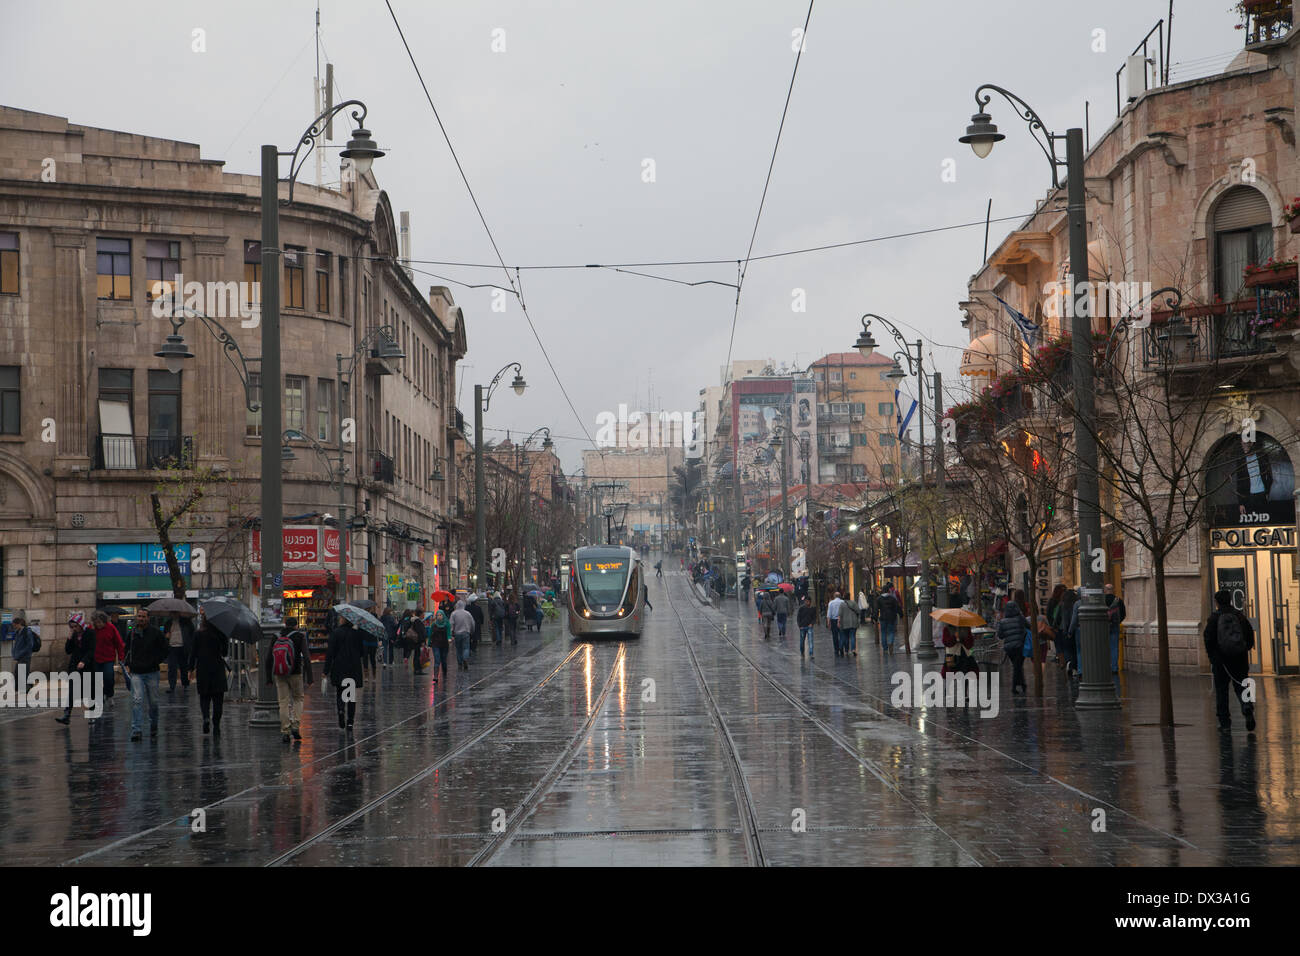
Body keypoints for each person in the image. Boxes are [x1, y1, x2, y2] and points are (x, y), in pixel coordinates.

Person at [1204, 588, 1256, 732]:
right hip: (1239, 659)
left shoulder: (1214, 618)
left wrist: (1213, 658)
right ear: (1230, 600)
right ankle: (1247, 709)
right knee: (1242, 685)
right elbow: (1249, 636)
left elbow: (1208, 639)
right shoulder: (1239, 616)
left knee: (1222, 691)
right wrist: (1245, 649)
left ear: (1217, 603)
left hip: (1221, 662)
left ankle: (1225, 723)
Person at [265, 616, 313, 741]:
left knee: (283, 702)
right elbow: (307, 657)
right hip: (296, 672)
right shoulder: (299, 636)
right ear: (296, 625)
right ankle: (296, 726)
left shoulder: (276, 636)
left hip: (279, 673)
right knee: (298, 698)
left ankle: (285, 731)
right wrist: (310, 678)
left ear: (285, 624)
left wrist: (268, 678)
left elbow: (269, 658)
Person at [124, 608, 168, 741]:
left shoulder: (155, 633)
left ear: (148, 618)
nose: (141, 619)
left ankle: (153, 725)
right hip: (137, 672)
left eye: (143, 617)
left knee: (153, 702)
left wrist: (156, 660)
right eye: (139, 616)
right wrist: (128, 664)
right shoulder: (132, 633)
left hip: (152, 672)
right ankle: (136, 729)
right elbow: (127, 650)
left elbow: (165, 649)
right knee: (137, 700)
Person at [190, 610, 229, 737]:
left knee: (204, 697)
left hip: (203, 669)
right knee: (218, 699)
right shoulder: (221, 634)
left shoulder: (198, 634)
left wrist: (190, 669)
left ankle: (206, 717)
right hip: (217, 668)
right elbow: (225, 653)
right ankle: (216, 725)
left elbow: (193, 653)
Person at [324, 617, 364, 731]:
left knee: (340, 691)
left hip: (339, 666)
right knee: (351, 695)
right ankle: (350, 721)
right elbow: (362, 652)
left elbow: (330, 652)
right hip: (353, 667)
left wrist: (325, 671)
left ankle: (341, 710)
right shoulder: (357, 633)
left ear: (342, 620)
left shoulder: (336, 633)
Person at [57, 613, 96, 724]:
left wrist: (84, 661)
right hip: (75, 666)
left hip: (88, 666)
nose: (74, 629)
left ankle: (92, 714)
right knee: (72, 690)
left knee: (90, 690)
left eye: (75, 626)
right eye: (72, 627)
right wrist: (69, 639)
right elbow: (68, 651)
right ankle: (67, 714)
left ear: (80, 624)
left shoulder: (90, 633)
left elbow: (91, 650)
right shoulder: (73, 635)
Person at [89, 610, 125, 704]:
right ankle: (100, 696)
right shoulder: (91, 629)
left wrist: (121, 657)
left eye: (100, 622)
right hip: (95, 658)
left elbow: (119, 643)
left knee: (108, 677)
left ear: (104, 621)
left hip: (108, 658)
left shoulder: (111, 628)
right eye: (96, 623)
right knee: (97, 679)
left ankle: (109, 694)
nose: (98, 625)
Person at [1235, 437, 1273, 517]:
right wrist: (1241, 503)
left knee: (1265, 518)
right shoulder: (1241, 460)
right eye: (1242, 444)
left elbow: (1269, 475)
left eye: (1246, 443)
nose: (1244, 446)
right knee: (1252, 520)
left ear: (1251, 443)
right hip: (1249, 496)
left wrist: (1267, 492)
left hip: (1262, 494)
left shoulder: (1261, 456)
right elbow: (1239, 482)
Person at [997, 600, 1028, 695]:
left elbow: (1000, 636)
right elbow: (1029, 626)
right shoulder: (1020, 618)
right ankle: (1014, 687)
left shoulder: (1002, 622)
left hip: (1009, 648)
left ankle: (1022, 684)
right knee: (1017, 666)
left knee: (1017, 665)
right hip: (1019, 646)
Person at [161, 610, 194, 694]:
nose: (174, 614)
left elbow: (191, 633)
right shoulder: (168, 623)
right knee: (172, 667)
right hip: (172, 647)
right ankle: (172, 686)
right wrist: (166, 636)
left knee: (184, 667)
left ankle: (185, 684)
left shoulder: (186, 622)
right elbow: (164, 635)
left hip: (183, 647)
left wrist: (189, 644)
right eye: (172, 613)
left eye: (176, 612)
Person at [1104, 583, 1126, 674]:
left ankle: (1105, 666)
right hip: (1115, 626)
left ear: (1105, 590)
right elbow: (1123, 614)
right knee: (1114, 647)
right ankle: (1114, 667)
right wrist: (1118, 621)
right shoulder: (1118, 600)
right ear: (1112, 590)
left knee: (1104, 647)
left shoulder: (1102, 600)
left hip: (1103, 627)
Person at [10, 613, 37, 689]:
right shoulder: (17, 633)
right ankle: (21, 687)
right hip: (19, 656)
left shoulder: (26, 632)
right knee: (18, 672)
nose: (13, 627)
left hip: (25, 656)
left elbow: (29, 645)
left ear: (18, 624)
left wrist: (21, 653)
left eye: (14, 625)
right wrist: (14, 653)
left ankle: (25, 687)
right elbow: (16, 644)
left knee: (22, 672)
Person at [450, 602, 474, 671]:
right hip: (466, 632)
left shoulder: (454, 614)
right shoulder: (467, 613)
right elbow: (472, 623)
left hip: (457, 633)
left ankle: (460, 663)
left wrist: (451, 632)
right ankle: (465, 658)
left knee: (458, 649)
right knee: (466, 648)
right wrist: (472, 631)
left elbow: (451, 624)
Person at [877, 585, 901, 654]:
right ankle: (890, 643)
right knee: (891, 632)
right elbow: (897, 607)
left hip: (883, 618)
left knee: (883, 633)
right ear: (888, 590)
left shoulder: (879, 599)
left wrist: (874, 617)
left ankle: (885, 648)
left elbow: (876, 609)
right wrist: (901, 614)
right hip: (891, 617)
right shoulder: (892, 598)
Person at [429, 608, 450, 682]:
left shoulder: (447, 624)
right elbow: (430, 635)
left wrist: (449, 638)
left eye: (440, 615)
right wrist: (429, 644)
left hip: (444, 645)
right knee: (437, 659)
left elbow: (448, 633)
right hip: (436, 644)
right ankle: (436, 676)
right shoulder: (434, 625)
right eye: (437, 615)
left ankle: (445, 672)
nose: (439, 616)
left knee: (443, 660)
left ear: (443, 616)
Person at [826, 591, 845, 656]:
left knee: (835, 636)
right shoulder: (843, 602)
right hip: (841, 620)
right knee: (842, 635)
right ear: (840, 596)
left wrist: (828, 623)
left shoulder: (831, 603)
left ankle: (836, 650)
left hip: (833, 621)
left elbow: (829, 613)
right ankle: (841, 647)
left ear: (834, 596)